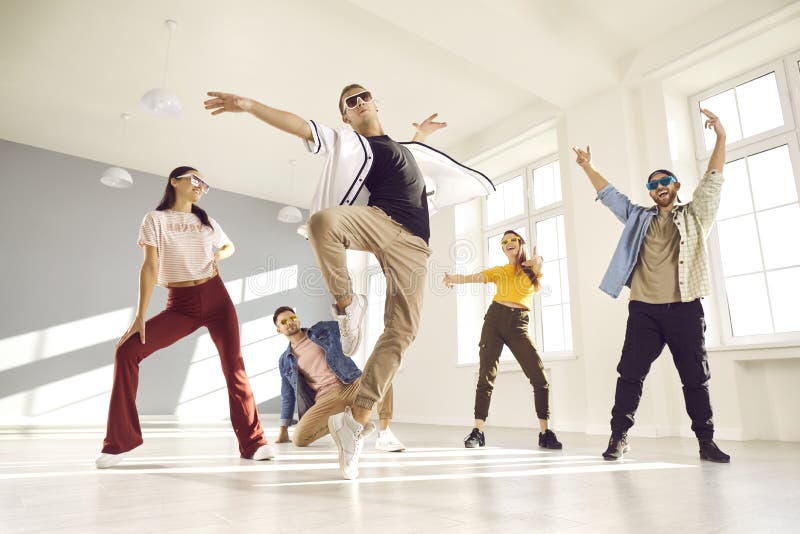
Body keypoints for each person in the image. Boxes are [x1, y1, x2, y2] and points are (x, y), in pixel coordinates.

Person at [204, 85, 492, 479]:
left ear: (376, 103)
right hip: (379, 221)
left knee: (402, 332)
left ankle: (354, 424)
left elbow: (409, 155)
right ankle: (347, 303)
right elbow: (302, 127)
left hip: (415, 246)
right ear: (346, 117)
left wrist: (421, 134)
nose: (358, 104)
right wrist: (251, 106)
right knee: (323, 222)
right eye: (349, 103)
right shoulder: (351, 143)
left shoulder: (403, 147)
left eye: (363, 97)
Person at [572, 108, 730, 463]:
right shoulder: (637, 217)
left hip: (685, 307)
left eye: (665, 182)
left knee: (694, 377)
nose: (659, 187)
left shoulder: (694, 215)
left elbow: (714, 179)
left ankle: (706, 442)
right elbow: (610, 195)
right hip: (644, 309)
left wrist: (720, 137)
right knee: (630, 374)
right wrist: (587, 167)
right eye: (653, 184)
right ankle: (619, 438)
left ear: (676, 187)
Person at [95, 167, 273, 468]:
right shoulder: (155, 219)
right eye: (194, 179)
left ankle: (254, 443)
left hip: (217, 299)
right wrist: (140, 314)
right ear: (174, 181)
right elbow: (150, 267)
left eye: (204, 183)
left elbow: (229, 246)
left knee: (234, 368)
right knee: (126, 351)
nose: (200, 186)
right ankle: (118, 443)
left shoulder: (206, 221)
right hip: (181, 305)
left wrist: (218, 256)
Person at [443, 230, 562, 450]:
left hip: (519, 325)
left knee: (539, 378)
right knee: (486, 377)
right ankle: (478, 431)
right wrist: (453, 279)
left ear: (520, 243)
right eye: (504, 242)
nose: (508, 243)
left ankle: (545, 433)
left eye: (512, 240)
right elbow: (473, 278)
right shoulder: (499, 271)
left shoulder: (531, 270)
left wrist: (539, 260)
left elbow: (538, 265)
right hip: (495, 321)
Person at [273, 306, 405, 452]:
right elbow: (288, 395)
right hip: (325, 399)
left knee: (382, 375)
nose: (290, 323)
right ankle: (354, 423)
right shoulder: (285, 360)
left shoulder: (322, 330)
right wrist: (283, 429)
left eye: (292, 318)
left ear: (297, 319)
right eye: (284, 322)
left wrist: (345, 308)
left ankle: (384, 434)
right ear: (279, 329)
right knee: (299, 439)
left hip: (351, 383)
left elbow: (348, 327)